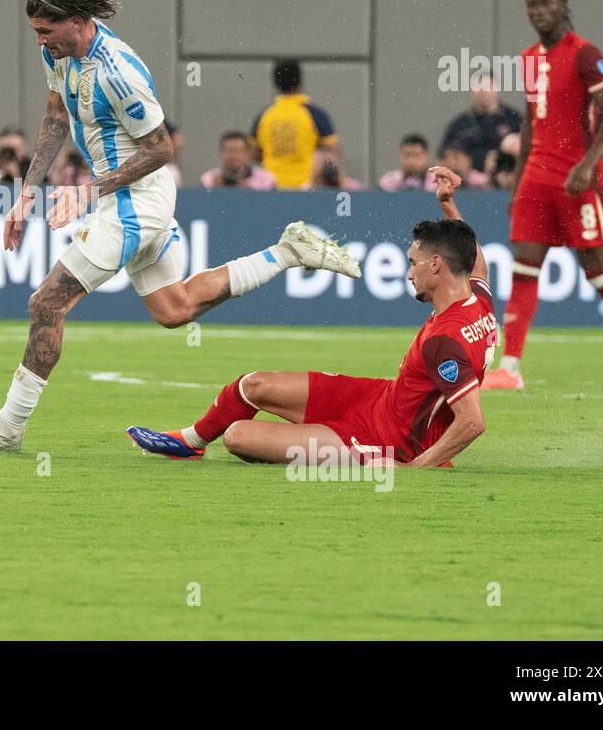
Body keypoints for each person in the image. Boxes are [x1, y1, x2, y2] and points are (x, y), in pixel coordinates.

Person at [0, 0, 360, 452]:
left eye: (45, 31)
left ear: (76, 21)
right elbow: (56, 115)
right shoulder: (55, 51)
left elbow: (161, 149)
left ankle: (7, 427)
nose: (40, 41)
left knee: (46, 303)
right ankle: (287, 253)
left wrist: (90, 192)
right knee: (174, 309)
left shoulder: (118, 72)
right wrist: (28, 192)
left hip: (136, 201)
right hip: (126, 199)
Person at [128, 166, 492, 468]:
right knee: (252, 385)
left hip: (388, 439)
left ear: (436, 265)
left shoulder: (446, 340)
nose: (410, 274)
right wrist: (449, 206)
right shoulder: (478, 299)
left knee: (238, 436)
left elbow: (473, 422)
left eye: (413, 264)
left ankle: (365, 455)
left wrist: (415, 467)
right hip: (379, 398)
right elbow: (470, 258)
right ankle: (191, 441)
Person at [485, 0, 603, 393]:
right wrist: (516, 185)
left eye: (547, 3)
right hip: (536, 180)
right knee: (523, 269)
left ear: (563, 5)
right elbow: (529, 124)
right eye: (532, 6)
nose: (539, 11)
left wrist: (589, 163)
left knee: (597, 272)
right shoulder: (528, 58)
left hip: (577, 180)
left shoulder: (584, 54)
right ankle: (510, 368)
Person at [251, 58, 339, 190]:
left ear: (275, 83)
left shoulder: (264, 116)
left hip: (271, 188)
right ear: (300, 82)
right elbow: (333, 150)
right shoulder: (315, 114)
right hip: (305, 187)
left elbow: (253, 153)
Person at [440, 70, 522, 171]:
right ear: (471, 90)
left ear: (496, 89)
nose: (483, 91)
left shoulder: (514, 119)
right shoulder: (459, 125)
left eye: (488, 86)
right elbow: (444, 157)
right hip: (466, 183)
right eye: (478, 87)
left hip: (505, 180)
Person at [200, 131, 277, 189]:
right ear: (220, 153)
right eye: (229, 150)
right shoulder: (209, 179)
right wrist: (212, 191)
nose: (233, 155)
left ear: (247, 153)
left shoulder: (265, 179)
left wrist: (251, 189)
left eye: (238, 151)